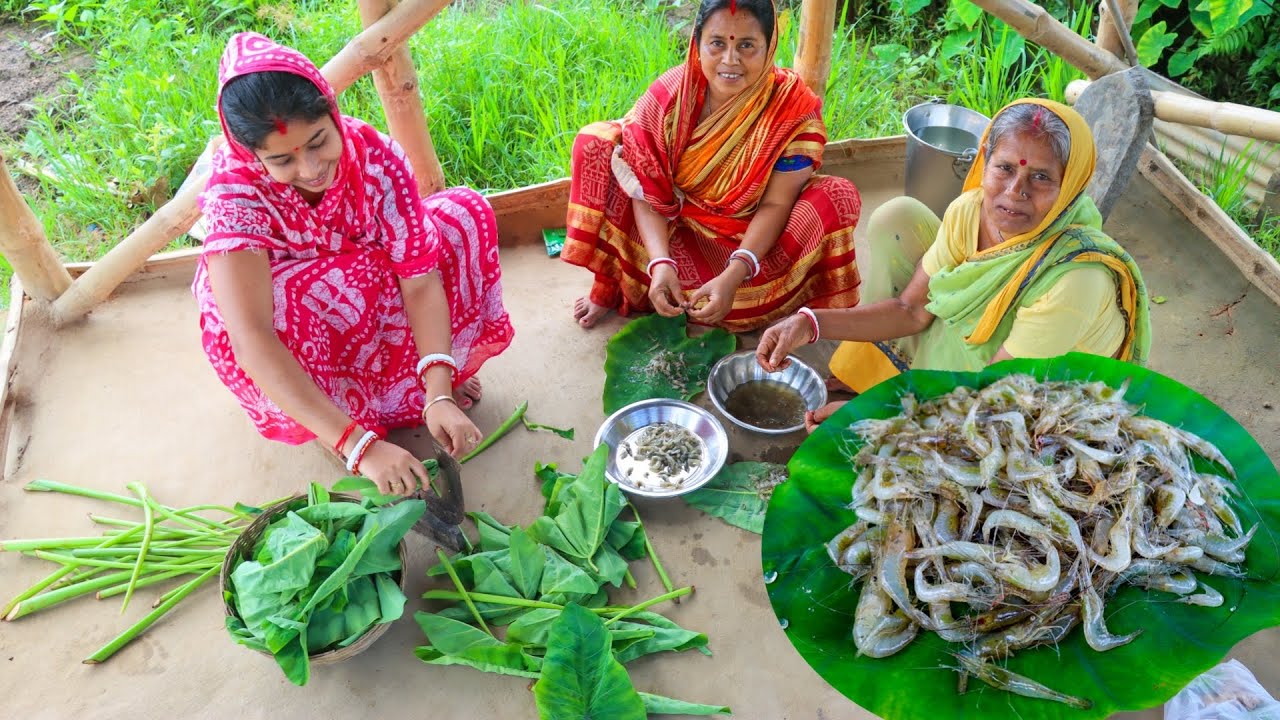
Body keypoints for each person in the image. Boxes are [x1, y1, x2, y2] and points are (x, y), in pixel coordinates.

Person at [193, 33, 513, 494]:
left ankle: (421, 387)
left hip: (365, 292)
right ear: (252, 154)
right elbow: (252, 338)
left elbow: (419, 281)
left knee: (463, 214)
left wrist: (440, 390)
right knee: (293, 298)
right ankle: (339, 422)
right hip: (303, 316)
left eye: (319, 141)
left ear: (333, 112)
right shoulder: (234, 194)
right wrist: (360, 445)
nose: (309, 169)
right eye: (282, 160)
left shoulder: (375, 157)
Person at [757, 98, 1151, 430]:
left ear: (1071, 187)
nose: (1016, 192)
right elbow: (910, 311)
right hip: (996, 372)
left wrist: (875, 420)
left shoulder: (1075, 277)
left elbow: (995, 399)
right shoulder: (971, 211)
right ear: (984, 160)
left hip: (1037, 401)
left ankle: (900, 397)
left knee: (957, 342)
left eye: (1042, 177)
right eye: (1005, 168)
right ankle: (882, 380)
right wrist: (808, 323)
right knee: (902, 223)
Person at [562, 0, 862, 332]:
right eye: (718, 43)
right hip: (671, 230)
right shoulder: (670, 96)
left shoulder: (791, 111)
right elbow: (646, 190)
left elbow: (777, 204)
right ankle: (628, 281)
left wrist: (734, 274)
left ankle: (721, 294)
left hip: (749, 245)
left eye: (747, 45)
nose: (730, 60)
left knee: (836, 194)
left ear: (769, 47)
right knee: (596, 143)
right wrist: (661, 263)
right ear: (698, 44)